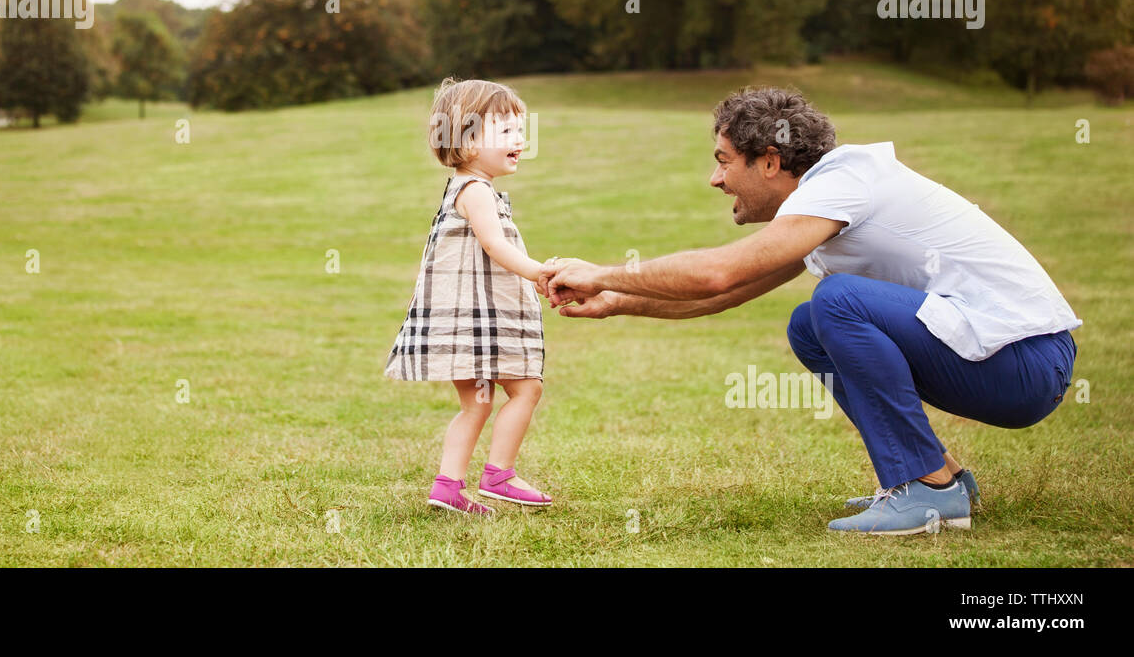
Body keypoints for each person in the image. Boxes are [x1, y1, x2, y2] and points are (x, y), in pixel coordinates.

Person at [540, 86, 1080, 535]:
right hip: (1010, 363)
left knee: (837, 301)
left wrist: (604, 271)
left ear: (770, 161)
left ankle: (928, 488)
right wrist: (618, 303)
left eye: (724, 162)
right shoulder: (820, 209)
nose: (715, 180)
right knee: (811, 325)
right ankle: (943, 479)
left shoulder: (843, 182)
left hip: (1028, 364)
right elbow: (727, 293)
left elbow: (717, 272)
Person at [385, 78, 552, 516]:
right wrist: (540, 273)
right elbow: (497, 247)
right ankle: (499, 474)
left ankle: (448, 486)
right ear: (468, 141)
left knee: (476, 404)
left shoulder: (469, 187)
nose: (520, 140)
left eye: (521, 130)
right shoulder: (475, 191)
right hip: (478, 323)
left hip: (471, 320)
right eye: (506, 131)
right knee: (527, 389)